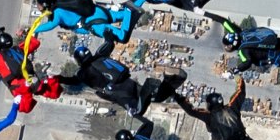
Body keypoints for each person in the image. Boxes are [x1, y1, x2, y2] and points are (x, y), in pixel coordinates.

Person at [56, 45, 185, 117]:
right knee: (156, 98)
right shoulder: (99, 56)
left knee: (137, 111)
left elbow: (73, 81)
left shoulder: (82, 72)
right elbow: (109, 43)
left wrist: (59, 78)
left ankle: (150, 85)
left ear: (78, 60)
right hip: (128, 82)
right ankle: (174, 77)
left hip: (118, 92)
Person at [30, 0, 137, 56]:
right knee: (123, 15)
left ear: (46, 5)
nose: (39, 8)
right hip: (97, 10)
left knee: (122, 37)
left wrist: (33, 29)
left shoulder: (57, 14)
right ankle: (137, 3)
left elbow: (50, 25)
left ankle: (129, 9)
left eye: (40, 6)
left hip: (92, 24)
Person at [205, 5, 280, 75]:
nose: (227, 48)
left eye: (228, 46)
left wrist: (235, 70)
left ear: (233, 45)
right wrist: (205, 13)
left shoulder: (243, 51)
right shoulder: (240, 33)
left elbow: (247, 62)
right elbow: (224, 21)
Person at [0, 28, 61, 113]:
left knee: (22, 107)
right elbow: (35, 43)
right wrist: (24, 33)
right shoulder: (19, 49)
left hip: (20, 87)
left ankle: (28, 86)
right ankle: (49, 80)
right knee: (47, 90)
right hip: (33, 79)